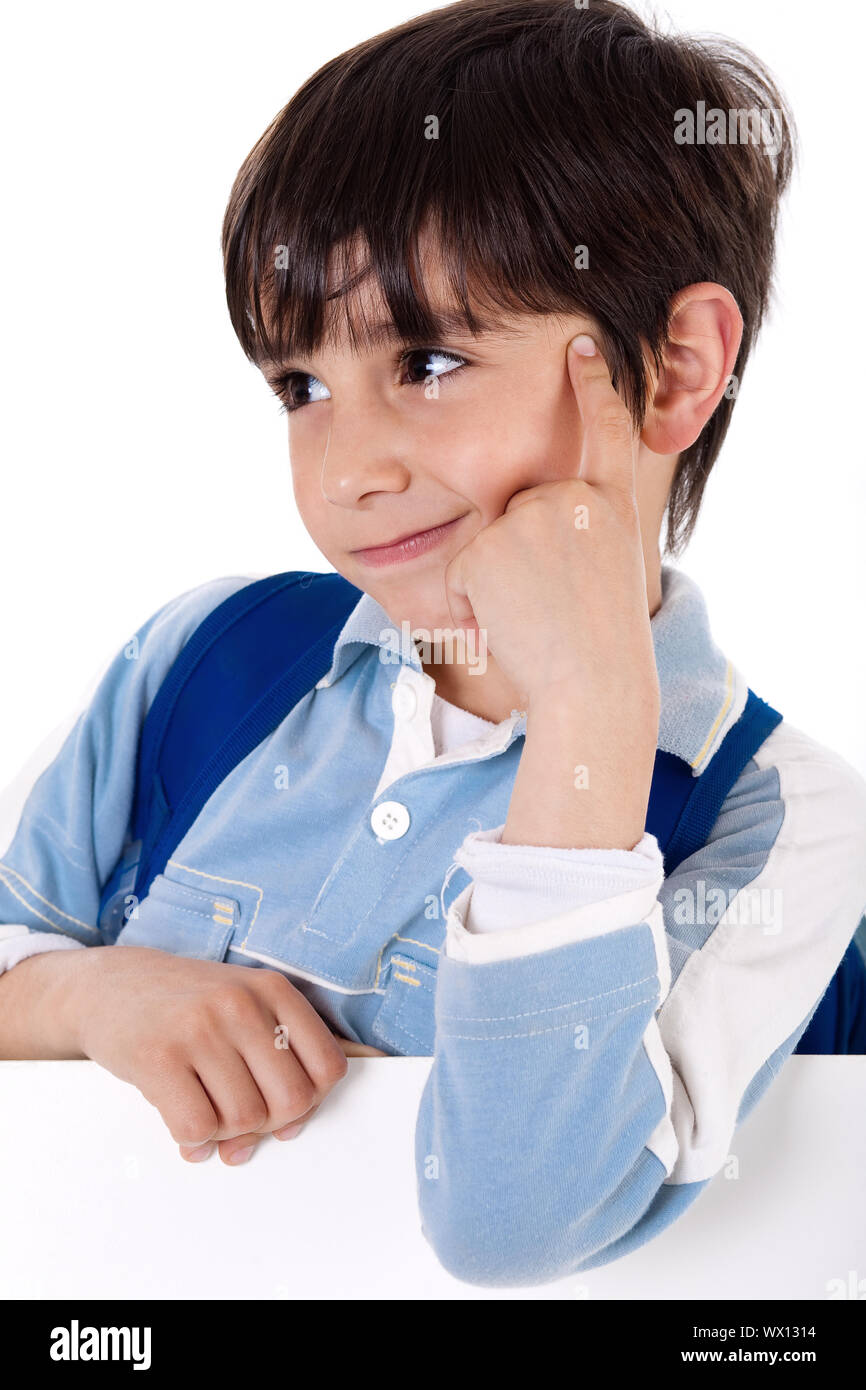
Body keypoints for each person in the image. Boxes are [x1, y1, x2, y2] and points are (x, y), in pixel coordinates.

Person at [1, 0, 865, 1288]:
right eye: (300, 386)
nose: (347, 471)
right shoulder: (209, 661)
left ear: (677, 369)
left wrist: (586, 716)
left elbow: (517, 1226)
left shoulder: (782, 826)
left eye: (430, 360)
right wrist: (86, 999)